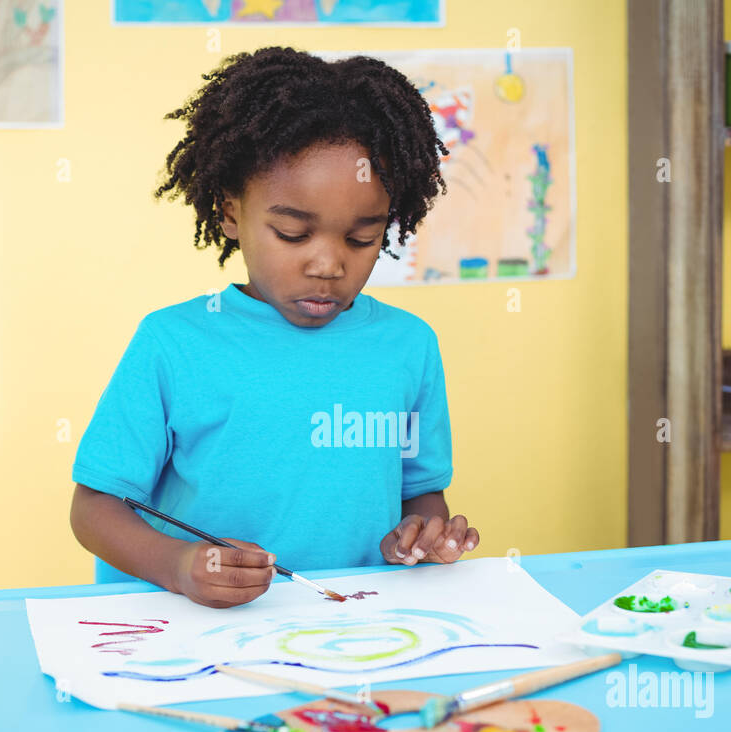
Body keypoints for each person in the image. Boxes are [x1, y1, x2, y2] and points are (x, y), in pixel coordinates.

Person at [70, 47, 479, 608]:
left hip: (351, 628)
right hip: (195, 633)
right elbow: (95, 509)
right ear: (231, 211)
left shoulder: (408, 346)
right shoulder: (173, 343)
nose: (328, 264)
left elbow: (420, 493)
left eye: (362, 238)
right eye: (292, 233)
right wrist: (182, 567)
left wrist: (421, 535)